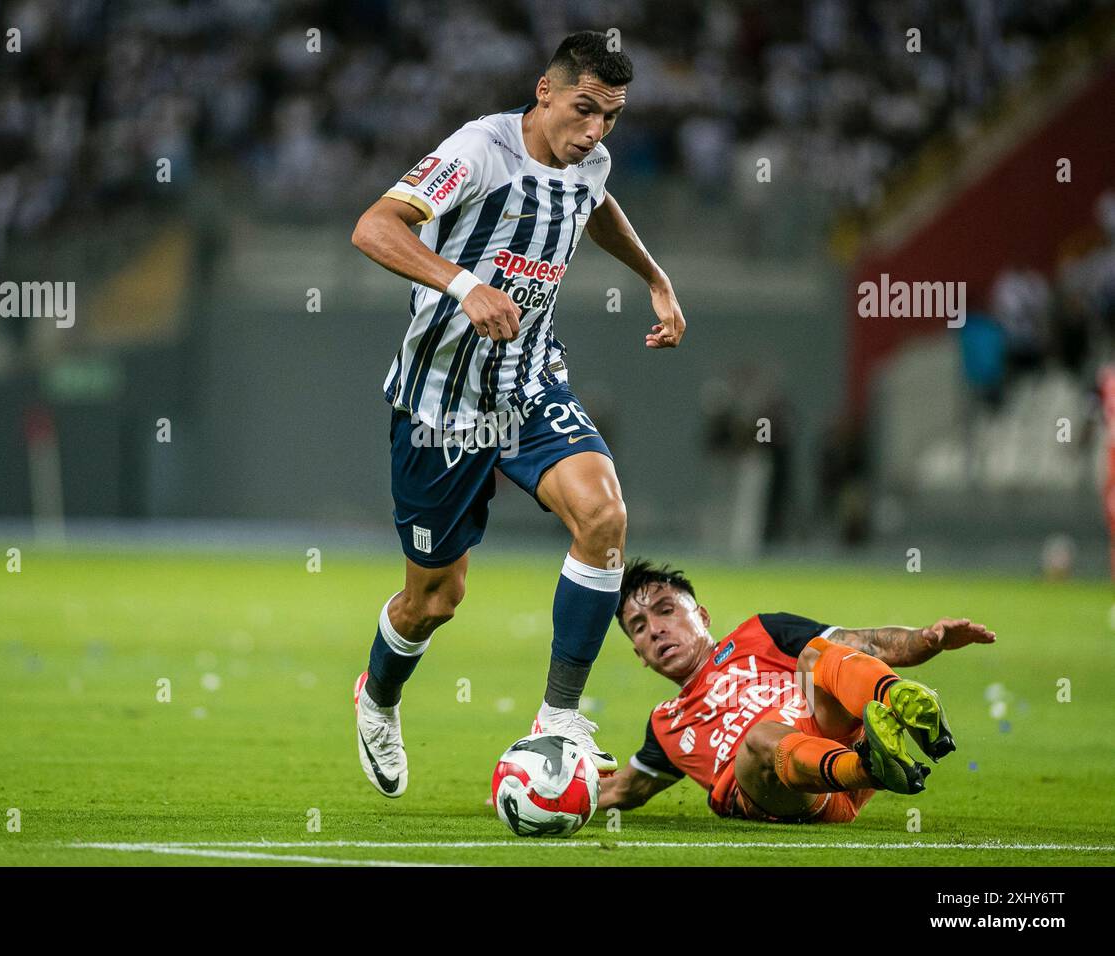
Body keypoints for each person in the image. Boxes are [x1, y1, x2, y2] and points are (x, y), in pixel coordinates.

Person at [349, 32, 686, 797]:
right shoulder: (478, 150)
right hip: (442, 406)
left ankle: (558, 718)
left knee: (602, 513)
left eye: (612, 115)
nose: (597, 130)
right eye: (584, 108)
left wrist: (656, 279)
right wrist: (464, 285)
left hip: (531, 385)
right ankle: (378, 696)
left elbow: (594, 205)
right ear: (545, 92)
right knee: (435, 599)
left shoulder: (589, 160)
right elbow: (374, 226)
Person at [598, 560, 996, 822]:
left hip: (829, 731)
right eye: (638, 626)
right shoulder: (667, 724)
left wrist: (929, 639)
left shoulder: (761, 632)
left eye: (666, 610)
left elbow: (866, 644)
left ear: (701, 616)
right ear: (641, 655)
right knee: (758, 739)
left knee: (816, 654)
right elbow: (621, 789)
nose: (655, 629)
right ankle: (872, 767)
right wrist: (544, 793)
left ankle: (899, 701)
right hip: (786, 789)